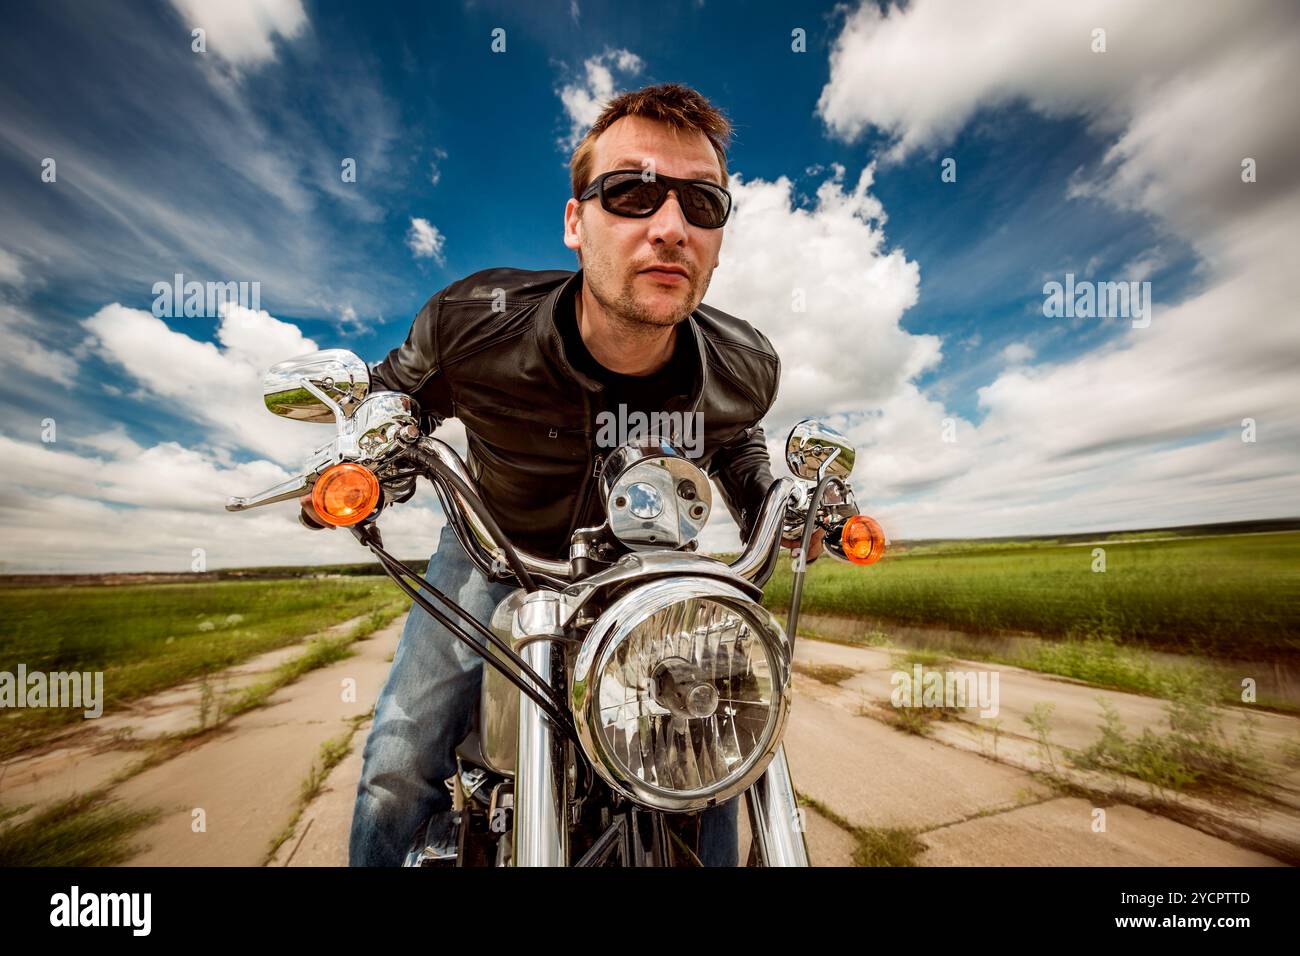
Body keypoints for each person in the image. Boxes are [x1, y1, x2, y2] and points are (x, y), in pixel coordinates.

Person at [303, 82, 821, 866]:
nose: (671, 227)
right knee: (399, 758)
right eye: (633, 194)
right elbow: (392, 394)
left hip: (644, 570)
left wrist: (778, 510)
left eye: (702, 204)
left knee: (709, 754)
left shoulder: (743, 363)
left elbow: (736, 440)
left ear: (719, 233)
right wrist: (363, 457)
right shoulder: (474, 324)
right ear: (577, 221)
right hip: (494, 553)